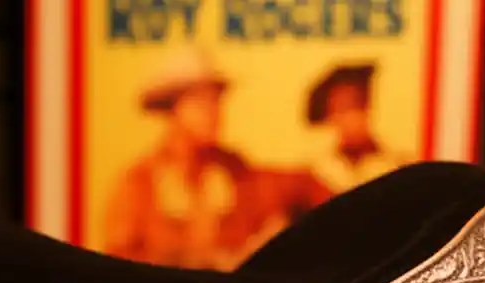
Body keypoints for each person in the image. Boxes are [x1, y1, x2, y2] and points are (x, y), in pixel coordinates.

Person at [104, 47, 330, 271]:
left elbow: (305, 187)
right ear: (172, 109)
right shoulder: (139, 183)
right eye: (200, 102)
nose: (214, 111)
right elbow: (119, 262)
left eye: (216, 100)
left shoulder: (236, 172)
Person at [305, 63, 408, 192]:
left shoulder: (398, 164)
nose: (347, 118)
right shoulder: (320, 170)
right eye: (338, 110)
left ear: (367, 108)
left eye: (353, 106)